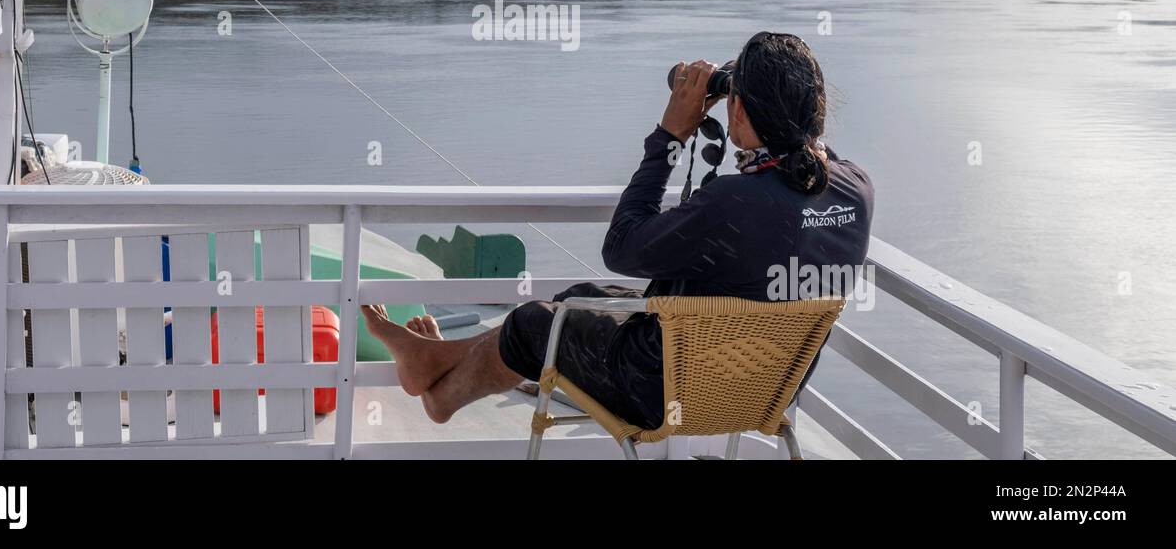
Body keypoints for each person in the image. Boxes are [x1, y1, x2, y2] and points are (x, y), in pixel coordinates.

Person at [362, 31, 873, 427]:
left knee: (535, 322)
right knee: (578, 298)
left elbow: (621, 247)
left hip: (666, 392)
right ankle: (434, 358)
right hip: (763, 392)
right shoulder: (857, 190)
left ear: (736, 107)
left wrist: (671, 135)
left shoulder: (733, 202)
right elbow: (799, 173)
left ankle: (441, 397)